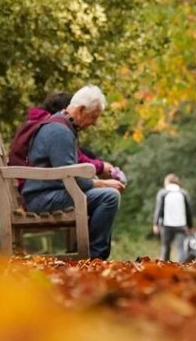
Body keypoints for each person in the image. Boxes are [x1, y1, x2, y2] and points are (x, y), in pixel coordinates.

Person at [20, 85, 123, 258]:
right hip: (43, 199)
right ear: (81, 110)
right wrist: (103, 183)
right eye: (94, 116)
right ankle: (95, 257)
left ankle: (85, 252)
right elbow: (72, 179)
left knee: (105, 194)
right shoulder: (59, 131)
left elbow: (69, 175)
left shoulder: (60, 126)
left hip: (44, 194)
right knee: (110, 197)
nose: (95, 122)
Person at [153, 174, 193, 263]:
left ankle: (164, 269)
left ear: (167, 182)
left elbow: (158, 209)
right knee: (181, 249)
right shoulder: (183, 193)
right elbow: (188, 211)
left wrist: (155, 224)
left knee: (165, 248)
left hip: (166, 226)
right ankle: (182, 269)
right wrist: (190, 225)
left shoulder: (163, 193)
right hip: (181, 225)